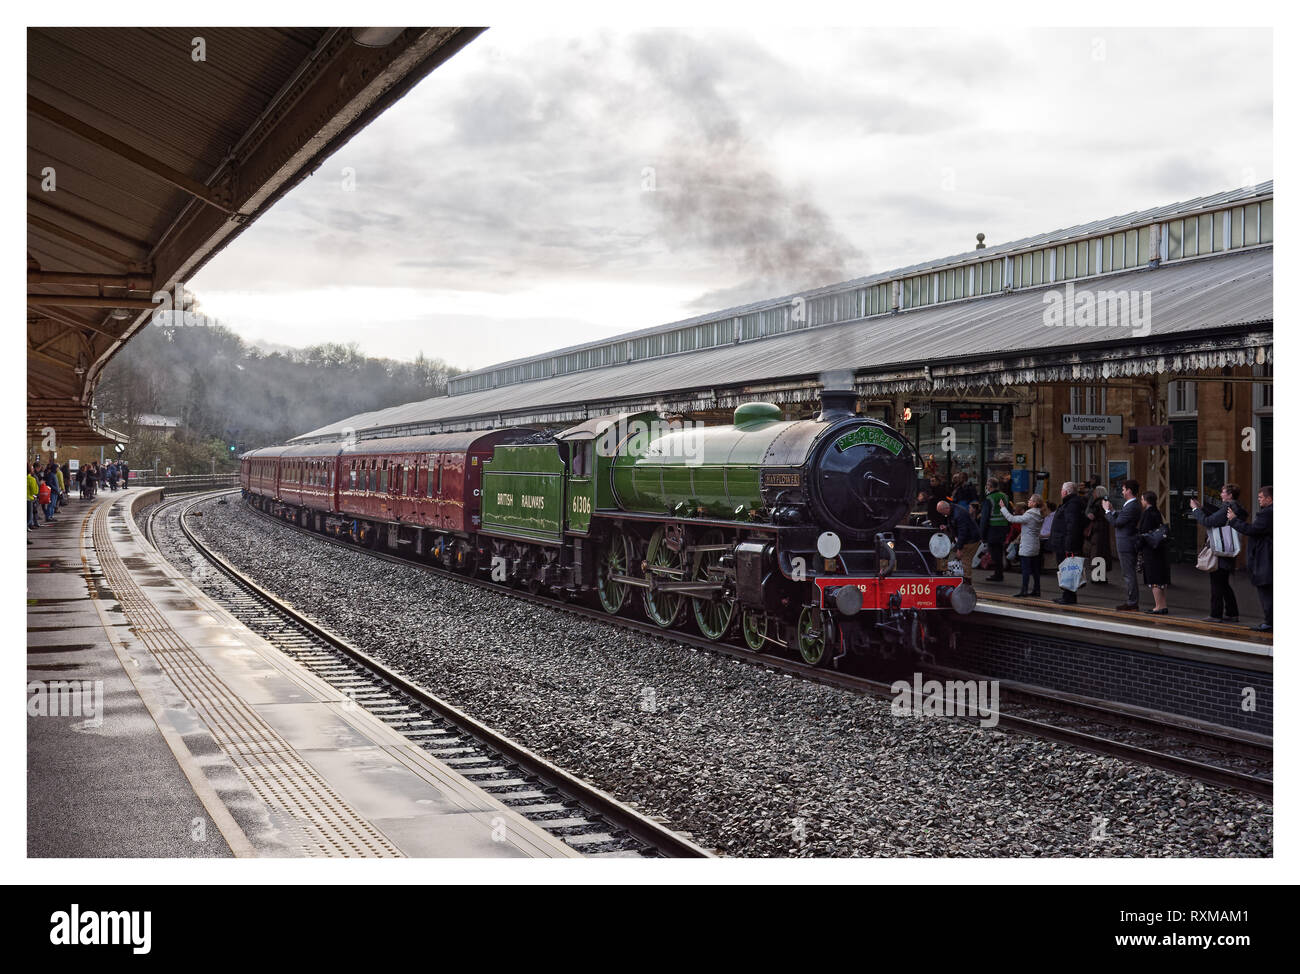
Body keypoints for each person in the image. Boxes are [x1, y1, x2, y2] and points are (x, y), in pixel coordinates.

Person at [1190, 483, 1248, 623]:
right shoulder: (1237, 507)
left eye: (1223, 492)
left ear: (1229, 495)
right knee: (1223, 583)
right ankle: (1232, 613)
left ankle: (1216, 614)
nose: (1221, 495)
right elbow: (1217, 517)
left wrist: (1196, 510)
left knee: (1216, 583)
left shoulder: (1228, 507)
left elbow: (1208, 521)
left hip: (1220, 551)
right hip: (1229, 548)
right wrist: (1202, 508)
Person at [1227, 485, 1272, 632]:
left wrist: (1234, 520)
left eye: (1260, 497)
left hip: (1266, 557)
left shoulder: (1267, 514)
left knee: (1266, 590)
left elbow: (1252, 530)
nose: (1258, 500)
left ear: (1269, 498)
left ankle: (1270, 621)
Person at [1102, 478, 1142, 611]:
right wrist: (1113, 511)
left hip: (1126, 543)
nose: (1122, 492)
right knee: (1128, 573)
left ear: (1129, 491)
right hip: (1126, 542)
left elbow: (1117, 523)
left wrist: (1107, 511)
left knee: (1128, 574)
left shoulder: (1132, 505)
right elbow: (1121, 518)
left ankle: (1132, 602)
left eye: (1124, 489)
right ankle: (1131, 601)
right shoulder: (1130, 505)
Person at [1002, 493, 1044, 597]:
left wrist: (1003, 508)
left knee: (1025, 569)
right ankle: (1037, 589)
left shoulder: (1029, 515)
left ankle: (1024, 590)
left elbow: (1012, 519)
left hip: (1027, 545)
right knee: (1035, 569)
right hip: (1035, 545)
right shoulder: (1039, 515)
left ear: (1034, 503)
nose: (1028, 501)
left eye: (1030, 500)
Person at [1050, 482, 1086, 604]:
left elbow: (1072, 526)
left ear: (1066, 492)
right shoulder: (1072, 503)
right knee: (1065, 570)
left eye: (1061, 490)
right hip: (1064, 541)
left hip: (1065, 542)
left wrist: (1069, 545)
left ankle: (1069, 596)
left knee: (1067, 570)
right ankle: (1067, 595)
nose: (1060, 492)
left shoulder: (1071, 505)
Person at [1136, 491, 1171, 614]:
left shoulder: (1147, 514)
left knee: (1153, 579)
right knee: (1160, 579)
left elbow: (1144, 532)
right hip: (1159, 549)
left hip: (1151, 551)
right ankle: (1163, 604)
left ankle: (1158, 606)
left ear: (1146, 500)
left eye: (1142, 499)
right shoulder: (1157, 512)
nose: (1141, 502)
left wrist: (1138, 545)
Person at [936, 499, 980, 583]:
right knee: (963, 558)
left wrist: (959, 549)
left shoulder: (959, 514)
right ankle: (964, 579)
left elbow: (963, 532)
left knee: (965, 558)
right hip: (967, 537)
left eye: (942, 512)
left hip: (971, 539)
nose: (942, 515)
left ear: (946, 509)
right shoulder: (952, 511)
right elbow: (955, 524)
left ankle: (967, 581)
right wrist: (947, 527)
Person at [980, 478, 1010, 582]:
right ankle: (999, 573)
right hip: (1003, 527)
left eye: (987, 485)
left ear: (990, 486)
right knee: (999, 550)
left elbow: (984, 518)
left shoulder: (989, 498)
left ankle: (998, 574)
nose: (986, 487)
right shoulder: (1005, 496)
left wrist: (982, 534)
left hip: (992, 528)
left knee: (994, 552)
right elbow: (1009, 512)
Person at [1083, 485, 1114, 585]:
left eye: (1095, 492)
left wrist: (1088, 513)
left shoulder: (1096, 504)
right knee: (1103, 553)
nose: (1093, 494)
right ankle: (1101, 576)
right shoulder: (1106, 502)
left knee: (1096, 553)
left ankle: (1096, 577)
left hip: (1097, 530)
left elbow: (1091, 516)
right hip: (1104, 530)